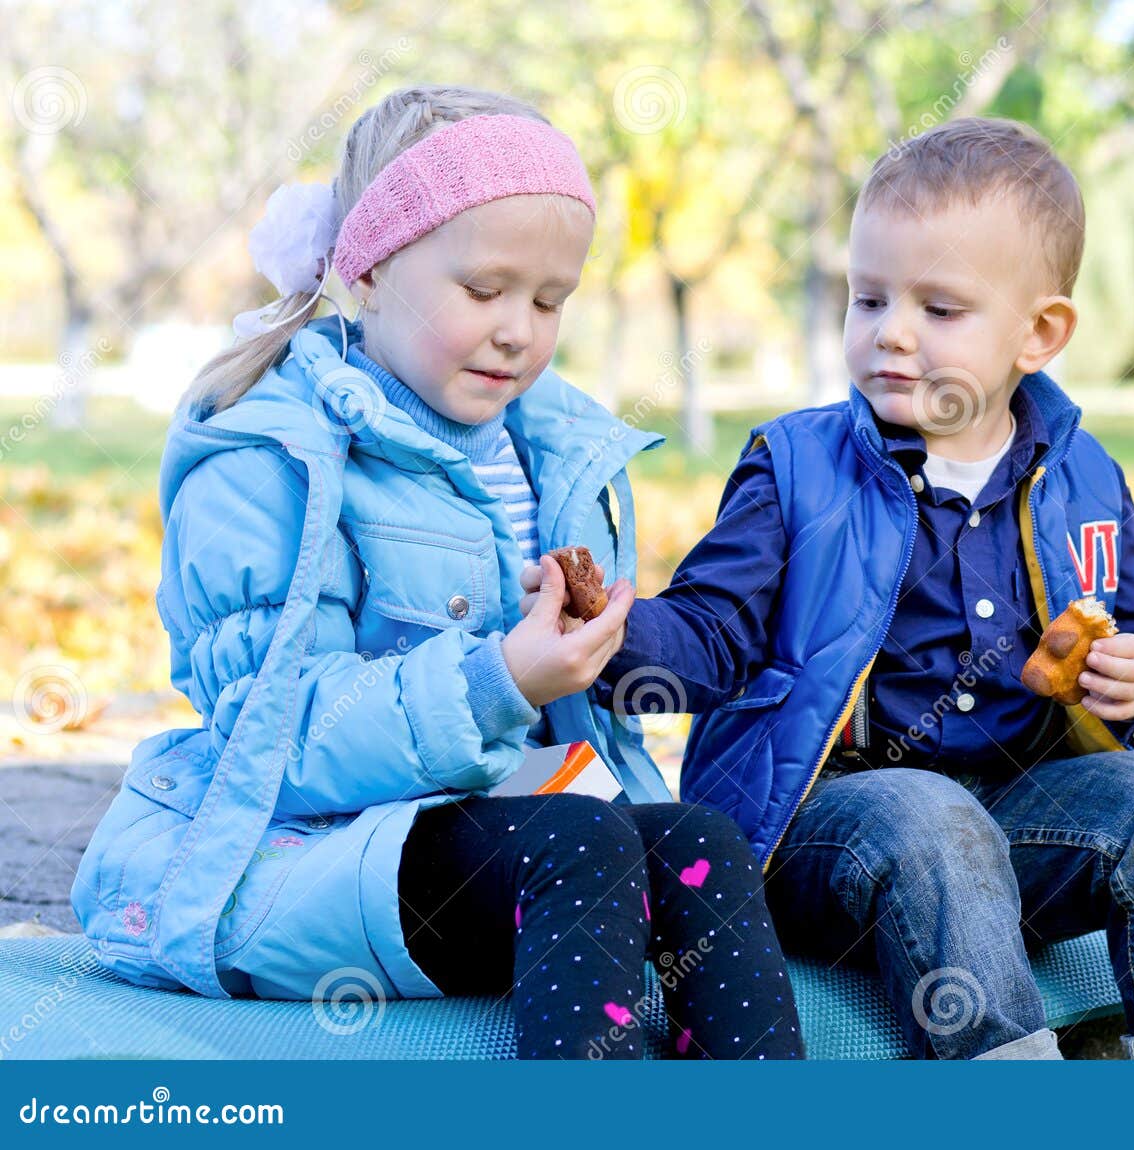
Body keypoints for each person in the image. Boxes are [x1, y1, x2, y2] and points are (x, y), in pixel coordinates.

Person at [71, 84, 802, 1061]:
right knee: (582, 846)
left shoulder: (545, 452)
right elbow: (272, 736)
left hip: (492, 840)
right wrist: (501, 680)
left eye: (549, 301)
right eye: (485, 289)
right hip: (303, 856)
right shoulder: (276, 455)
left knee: (694, 841)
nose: (519, 330)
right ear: (369, 271)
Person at [565, 117, 1134, 1060]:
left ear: (1040, 333)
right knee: (928, 813)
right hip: (825, 828)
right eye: (869, 300)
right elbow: (713, 630)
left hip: (1015, 826)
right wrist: (616, 634)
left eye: (940, 311)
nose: (890, 335)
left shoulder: (1081, 477)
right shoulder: (799, 466)